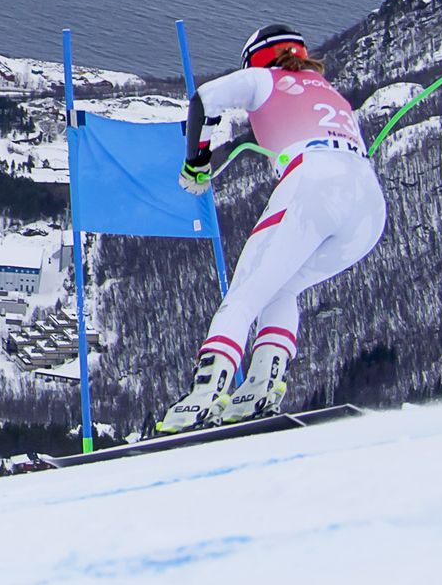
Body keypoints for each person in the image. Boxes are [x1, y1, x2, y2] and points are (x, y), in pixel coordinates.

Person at [158, 24, 387, 433]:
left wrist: (197, 162)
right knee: (281, 287)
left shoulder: (264, 77)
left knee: (245, 292)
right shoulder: (332, 93)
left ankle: (204, 394)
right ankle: (262, 386)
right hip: (368, 201)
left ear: (256, 57)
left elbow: (204, 100)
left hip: (313, 180)